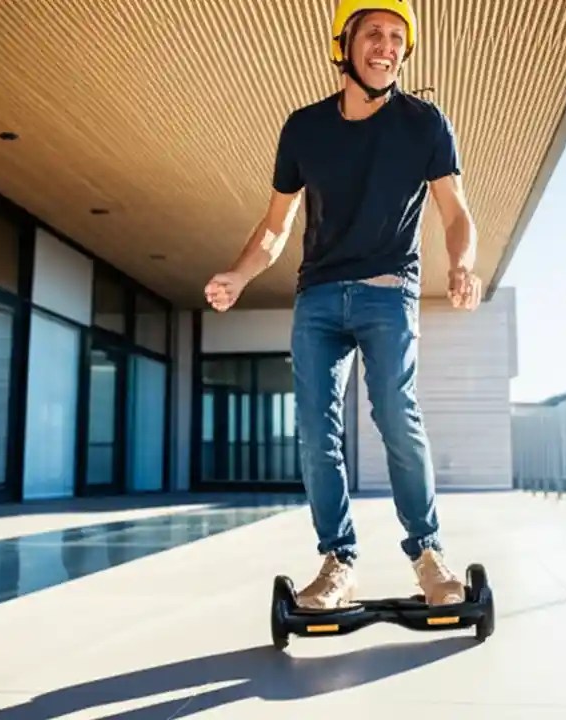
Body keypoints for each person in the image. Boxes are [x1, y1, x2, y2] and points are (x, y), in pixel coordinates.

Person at [204, 0, 481, 611]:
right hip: (320, 298)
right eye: (374, 33)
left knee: (396, 414)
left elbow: (455, 211)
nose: (387, 46)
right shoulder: (304, 128)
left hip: (389, 290)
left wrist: (461, 264)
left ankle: (428, 554)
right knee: (314, 429)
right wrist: (239, 275)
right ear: (344, 46)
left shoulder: (424, 124)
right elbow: (275, 225)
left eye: (397, 37)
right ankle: (337, 562)